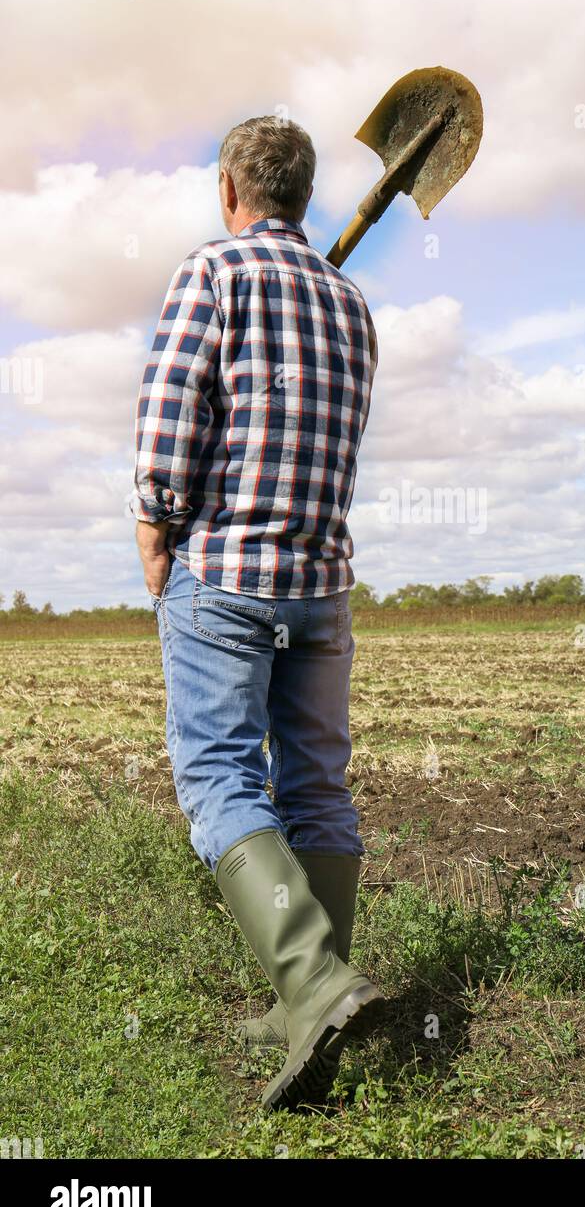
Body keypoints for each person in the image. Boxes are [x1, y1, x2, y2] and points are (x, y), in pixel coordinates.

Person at [131, 115, 384, 1109]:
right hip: (319, 583)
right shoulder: (351, 303)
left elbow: (169, 409)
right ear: (304, 197)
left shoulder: (212, 273)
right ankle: (304, 1004)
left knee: (219, 777)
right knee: (316, 784)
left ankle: (315, 982)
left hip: (226, 571)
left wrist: (157, 528)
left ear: (229, 189)